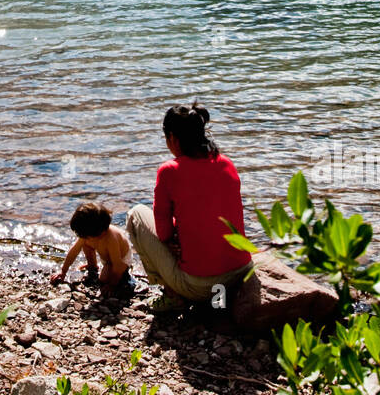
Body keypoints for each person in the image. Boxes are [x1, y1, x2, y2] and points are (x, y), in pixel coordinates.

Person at [128, 103, 251, 314]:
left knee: (136, 215)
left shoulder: (169, 171)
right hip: (241, 273)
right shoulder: (227, 163)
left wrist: (175, 234)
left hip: (200, 286)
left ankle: (172, 295)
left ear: (173, 138)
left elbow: (164, 234)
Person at [50, 201, 135, 296]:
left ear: (100, 233)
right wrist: (63, 271)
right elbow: (74, 251)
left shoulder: (111, 239)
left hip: (121, 260)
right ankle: (93, 267)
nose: (84, 237)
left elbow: (117, 264)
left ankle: (124, 274)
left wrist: (112, 285)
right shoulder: (90, 234)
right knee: (85, 244)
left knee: (104, 279)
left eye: (87, 236)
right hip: (106, 256)